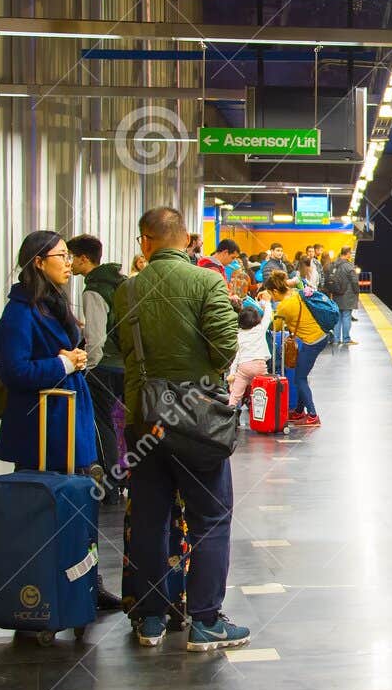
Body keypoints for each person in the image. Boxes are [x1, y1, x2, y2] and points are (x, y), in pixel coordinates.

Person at [114, 205, 247, 651]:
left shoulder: (126, 291)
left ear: (145, 242)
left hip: (144, 421)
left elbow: (120, 349)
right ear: (186, 240)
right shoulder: (207, 281)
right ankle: (205, 621)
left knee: (151, 519)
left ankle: (152, 619)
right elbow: (226, 347)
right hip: (197, 422)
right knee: (209, 518)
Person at [0, 231, 120, 611]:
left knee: (81, 506)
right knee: (43, 515)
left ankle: (86, 584)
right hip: (41, 430)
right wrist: (64, 363)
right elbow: (14, 371)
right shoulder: (19, 312)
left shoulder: (54, 304)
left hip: (69, 424)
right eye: (60, 256)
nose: (68, 263)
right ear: (38, 261)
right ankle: (40, 591)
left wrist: (74, 357)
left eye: (68, 256)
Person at [66, 234, 128, 497]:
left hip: (105, 366)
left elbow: (96, 336)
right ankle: (125, 478)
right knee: (124, 425)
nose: (69, 263)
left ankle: (110, 485)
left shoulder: (93, 288)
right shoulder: (121, 282)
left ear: (83, 258)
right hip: (127, 364)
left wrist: (89, 365)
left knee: (102, 425)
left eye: (71, 257)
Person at [261, 269, 328, 426]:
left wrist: (266, 306)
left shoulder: (285, 306)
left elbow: (275, 326)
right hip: (319, 335)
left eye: (271, 293)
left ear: (275, 291)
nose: (271, 296)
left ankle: (313, 416)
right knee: (300, 374)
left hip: (313, 341)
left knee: (300, 378)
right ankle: (299, 412)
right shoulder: (295, 293)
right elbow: (299, 282)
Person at [226, 302, 270, 409]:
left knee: (235, 395)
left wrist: (232, 375)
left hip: (244, 367)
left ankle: (231, 412)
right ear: (257, 319)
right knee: (264, 392)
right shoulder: (260, 329)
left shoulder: (239, 335)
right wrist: (266, 304)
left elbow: (235, 357)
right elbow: (268, 317)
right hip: (260, 365)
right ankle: (264, 414)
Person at [329, 246, 360, 345]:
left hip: (336, 294)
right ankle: (346, 339)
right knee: (346, 316)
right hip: (347, 295)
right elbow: (354, 281)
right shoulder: (348, 266)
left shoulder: (334, 264)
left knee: (337, 317)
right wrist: (357, 291)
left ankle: (336, 339)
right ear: (347, 254)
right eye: (350, 253)